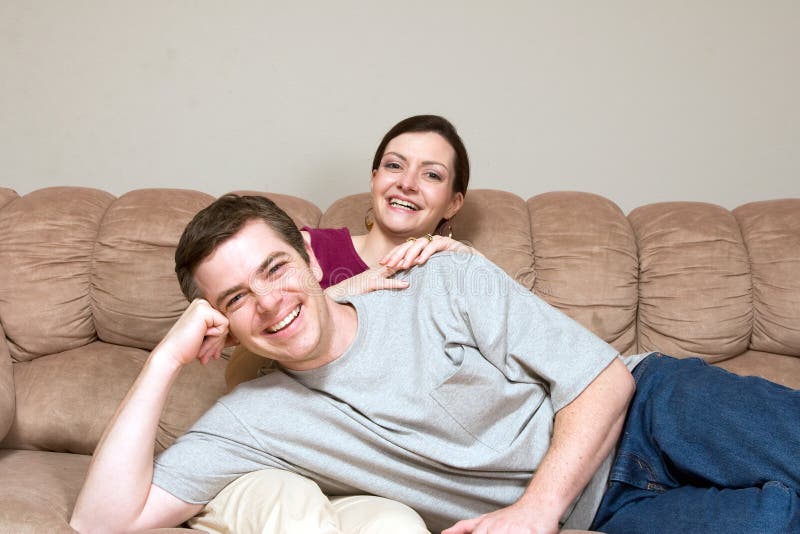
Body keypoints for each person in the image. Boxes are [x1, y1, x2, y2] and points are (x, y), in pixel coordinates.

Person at [70, 195, 800, 534]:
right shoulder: (251, 423)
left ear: (311, 258)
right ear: (218, 323)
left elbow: (603, 379)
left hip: (650, 408)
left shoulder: (441, 278)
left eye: (275, 268)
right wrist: (165, 358)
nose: (268, 302)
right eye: (235, 298)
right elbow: (102, 521)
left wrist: (534, 513)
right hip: (610, 510)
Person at [226, 113, 476, 387]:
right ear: (374, 179)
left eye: (431, 174)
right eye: (394, 165)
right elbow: (239, 376)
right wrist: (338, 294)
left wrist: (471, 262)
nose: (407, 183)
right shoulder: (305, 251)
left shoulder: (457, 276)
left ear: (453, 204)